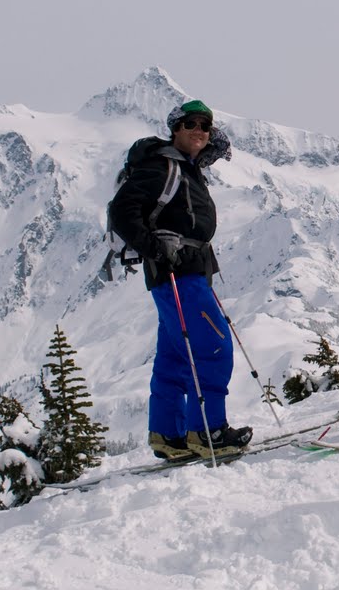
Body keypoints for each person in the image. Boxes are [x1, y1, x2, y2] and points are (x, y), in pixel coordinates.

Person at [108, 99, 252, 461]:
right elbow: (122, 211)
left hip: (183, 271)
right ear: (175, 128)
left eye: (205, 125)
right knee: (214, 346)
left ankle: (168, 435)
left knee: (175, 354)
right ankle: (209, 432)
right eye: (191, 124)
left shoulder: (186, 169)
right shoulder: (163, 166)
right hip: (177, 272)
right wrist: (153, 248)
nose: (199, 131)